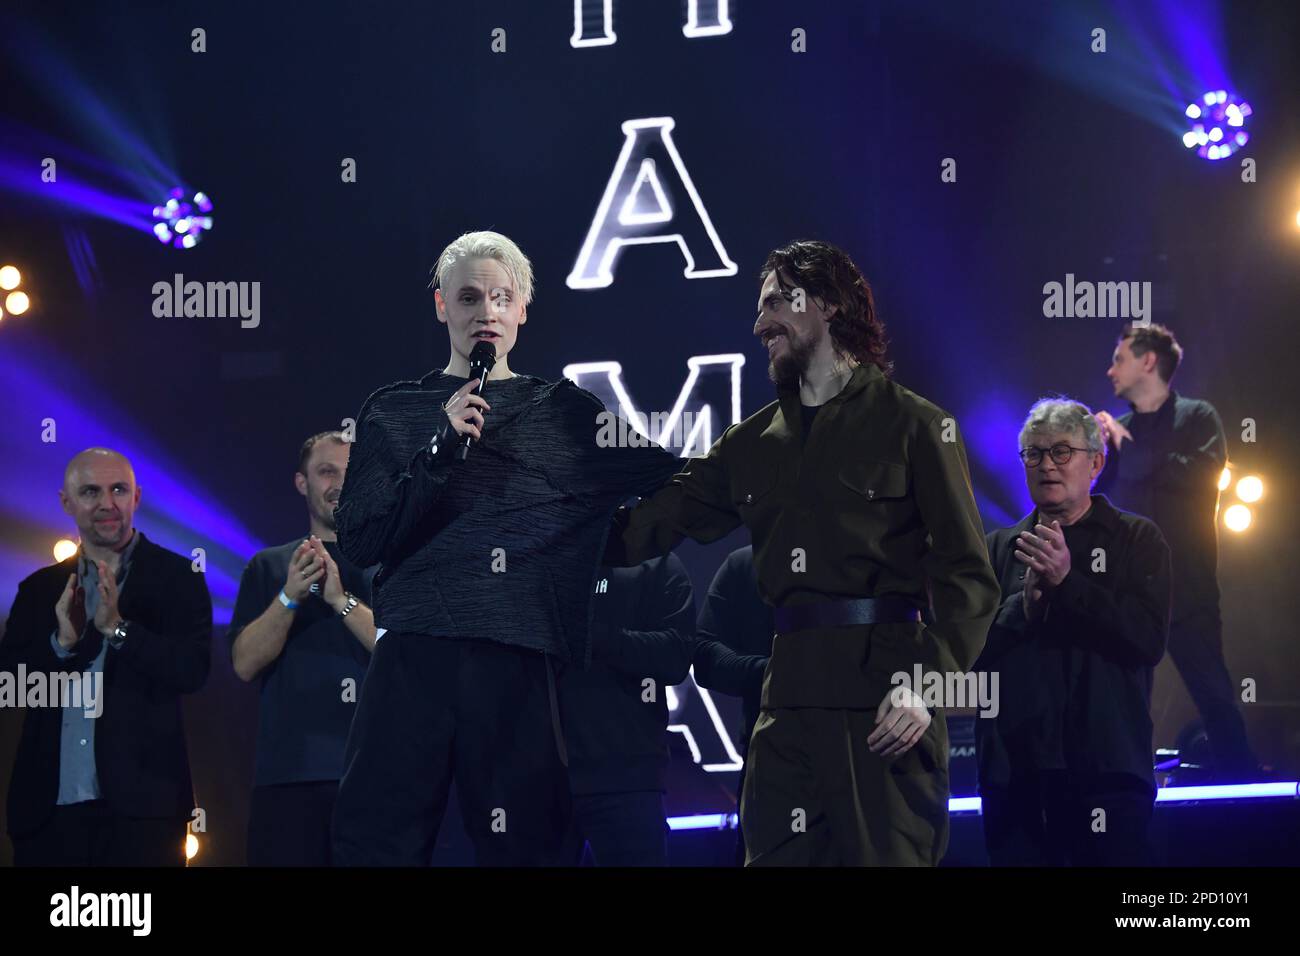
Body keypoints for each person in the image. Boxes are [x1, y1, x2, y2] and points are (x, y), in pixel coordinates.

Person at [604, 240, 1000, 865]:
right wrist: (538, 532)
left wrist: (927, 686)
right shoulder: (752, 442)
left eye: (774, 303)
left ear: (829, 303)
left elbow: (969, 577)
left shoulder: (918, 426)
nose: (760, 324)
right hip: (784, 710)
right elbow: (650, 523)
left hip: (885, 705)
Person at [330, 230, 682, 866]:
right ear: (442, 307)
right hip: (413, 656)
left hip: (518, 657)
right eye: (469, 298)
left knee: (526, 844)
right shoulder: (395, 409)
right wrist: (437, 451)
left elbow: (667, 480)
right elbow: (360, 538)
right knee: (374, 842)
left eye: (501, 298)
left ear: (522, 309)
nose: (485, 312)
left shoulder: (565, 411)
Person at [976, 399, 1171, 865]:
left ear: (1096, 462)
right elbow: (966, 654)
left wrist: (1069, 583)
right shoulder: (996, 549)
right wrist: (1021, 608)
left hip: (1107, 775)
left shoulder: (1137, 540)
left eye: (1062, 452)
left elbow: (1147, 640)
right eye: (1034, 454)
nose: (1047, 465)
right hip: (1015, 777)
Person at [0, 448, 211, 866]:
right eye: (91, 491)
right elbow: (12, 688)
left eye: (118, 490)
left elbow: (192, 671)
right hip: (48, 814)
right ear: (66, 502)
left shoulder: (178, 578)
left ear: (136, 498)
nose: (107, 503)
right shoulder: (37, 589)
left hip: (143, 814)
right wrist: (61, 642)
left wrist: (119, 630)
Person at [1094, 323, 1256, 780]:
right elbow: (1094, 503)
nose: (1111, 370)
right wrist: (1094, 453)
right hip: (1128, 591)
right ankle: (1124, 788)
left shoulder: (1197, 416)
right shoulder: (1118, 433)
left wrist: (1132, 447)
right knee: (1124, 700)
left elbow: (1203, 477)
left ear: (1149, 361)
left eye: (1119, 358)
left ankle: (1241, 791)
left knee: (1214, 695)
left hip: (1188, 587)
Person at [227, 431, 377, 866]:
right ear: (301, 482)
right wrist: (290, 594)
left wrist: (338, 600)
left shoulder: (389, 563)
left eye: (351, 473)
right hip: (288, 781)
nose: (340, 484)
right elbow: (244, 665)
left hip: (377, 774)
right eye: (327, 471)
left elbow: (398, 650)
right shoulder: (268, 566)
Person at [559, 553, 695, 866]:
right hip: (539, 773)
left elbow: (676, 658)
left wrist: (596, 637)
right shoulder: (542, 555)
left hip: (628, 777)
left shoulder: (657, 562)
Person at [692, 545, 773, 865]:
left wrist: (918, 697)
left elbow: (932, 646)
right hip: (766, 753)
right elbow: (705, 655)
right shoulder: (746, 564)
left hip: (863, 754)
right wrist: (771, 673)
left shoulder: (870, 553)